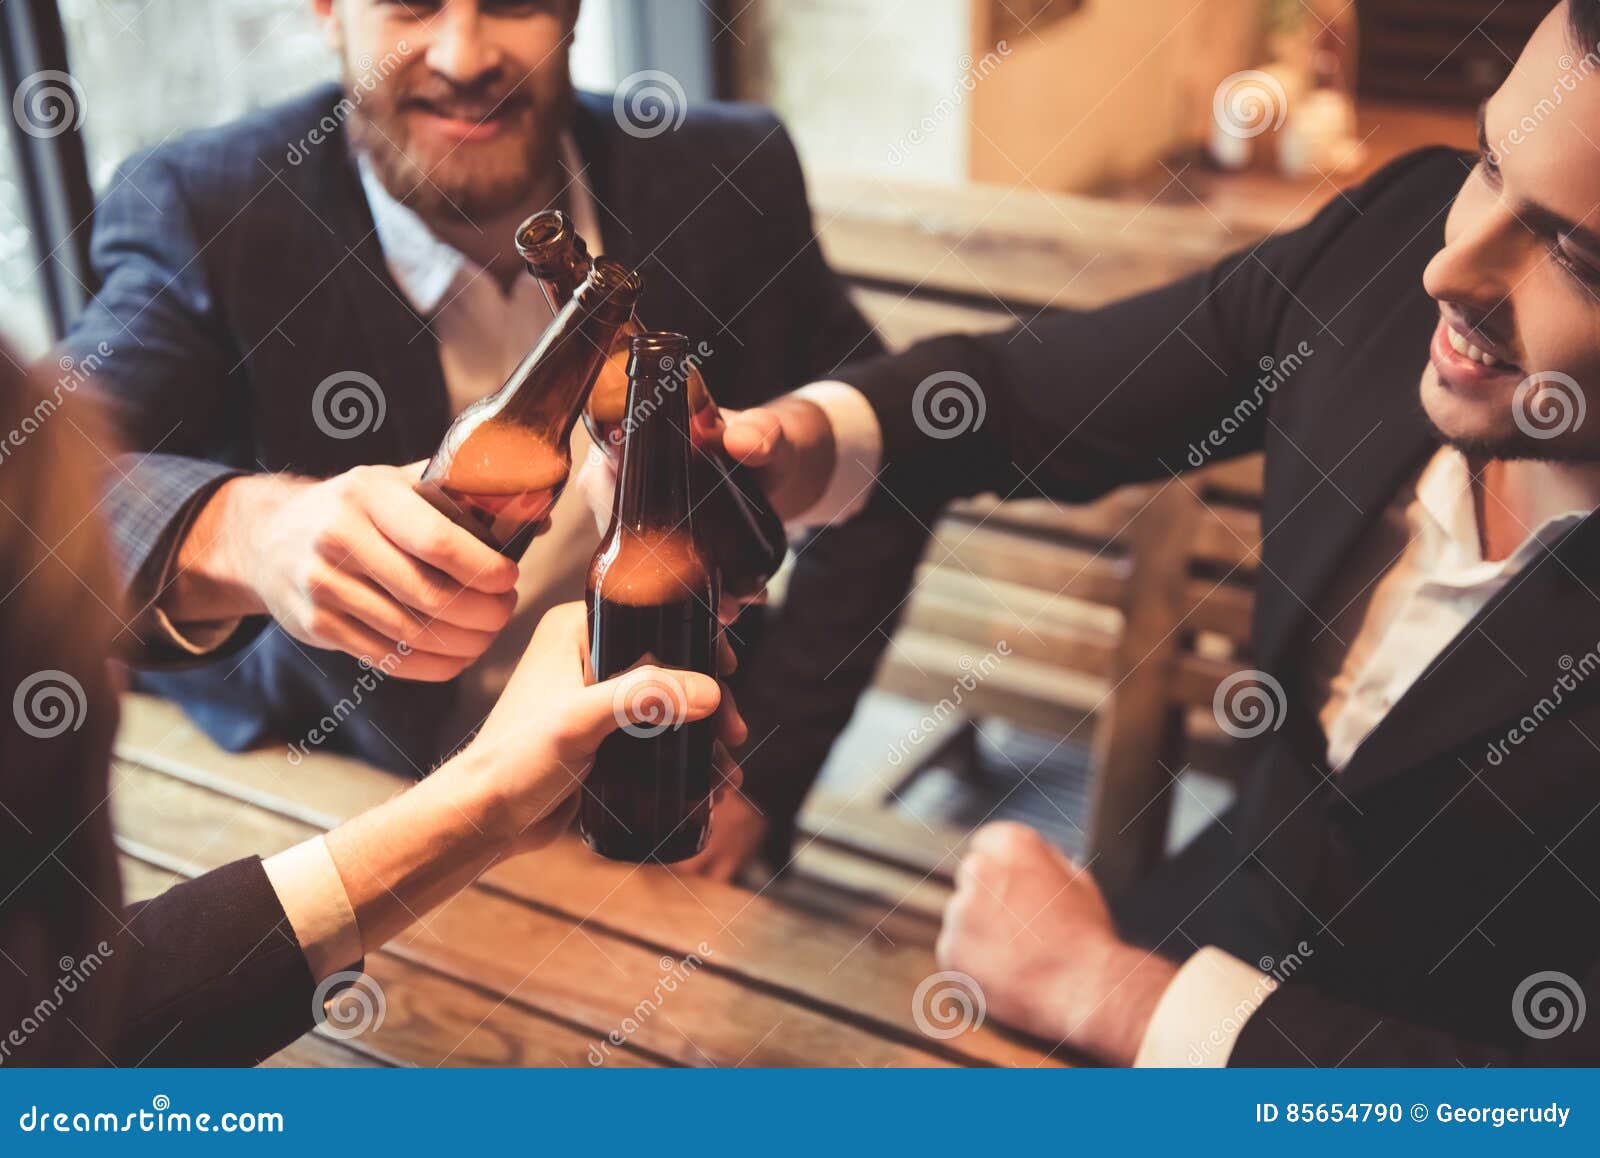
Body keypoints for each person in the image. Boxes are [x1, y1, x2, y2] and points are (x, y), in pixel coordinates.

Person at [711, 0, 1600, 1066]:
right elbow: (1028, 394)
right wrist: (799, 441)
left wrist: (1121, 999)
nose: (1450, 270)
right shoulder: (1392, 241)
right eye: (1489, 163)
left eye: (1579, 260)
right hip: (1215, 919)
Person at [60, 0, 930, 880]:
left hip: (664, 800)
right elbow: (40, 480)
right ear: (326, 10)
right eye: (414, 2)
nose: (465, 53)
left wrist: (765, 781)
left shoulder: (728, 175)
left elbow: (887, 459)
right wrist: (248, 534)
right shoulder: (206, 209)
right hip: (348, 806)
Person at [0, 345, 742, 1066]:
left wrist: (478, 802)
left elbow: (71, 1020)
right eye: (88, 654)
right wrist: (249, 530)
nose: (113, 686)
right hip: (332, 772)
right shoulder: (213, 219)